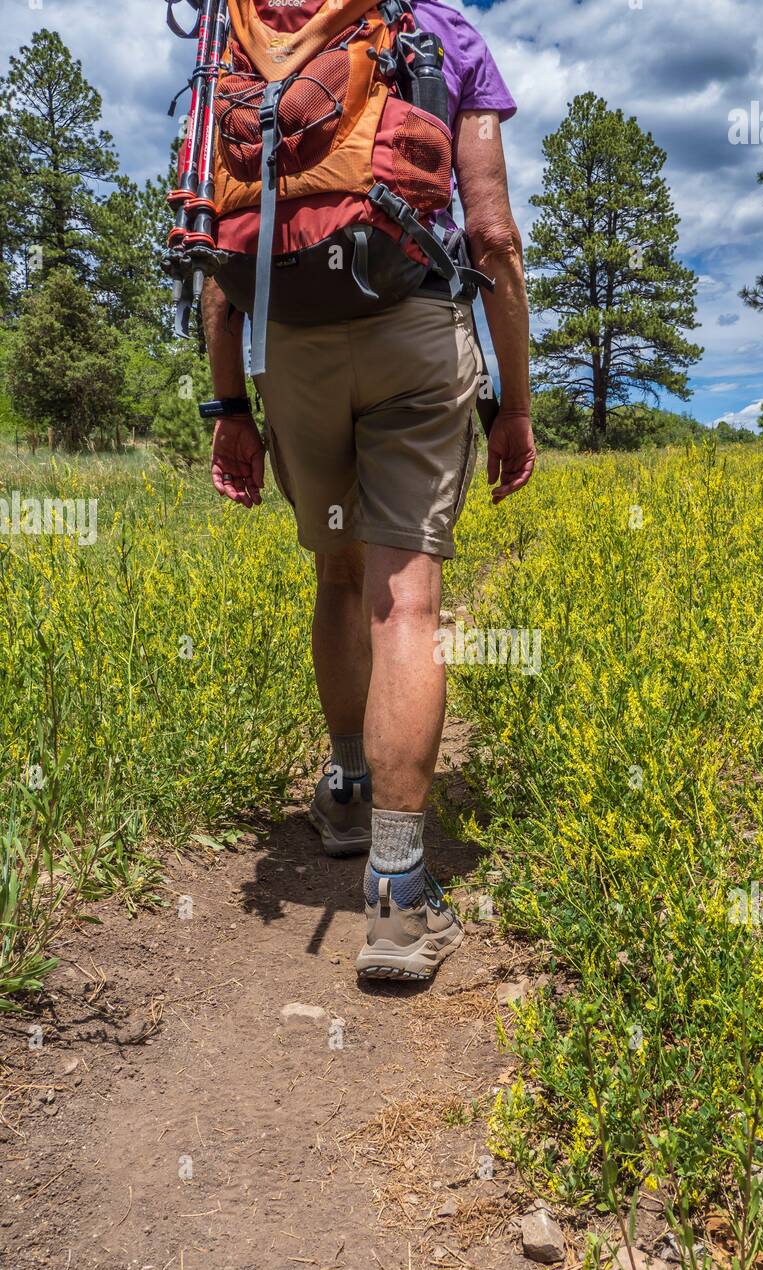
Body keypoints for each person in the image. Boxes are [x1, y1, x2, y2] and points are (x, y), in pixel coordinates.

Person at [201, 0, 535, 982]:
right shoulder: (446, 32)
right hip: (414, 329)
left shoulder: (256, 34)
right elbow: (494, 234)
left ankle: (345, 786)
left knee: (341, 577)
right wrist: (512, 403)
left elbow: (219, 250)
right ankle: (396, 899)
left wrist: (229, 402)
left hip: (294, 353)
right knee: (408, 599)